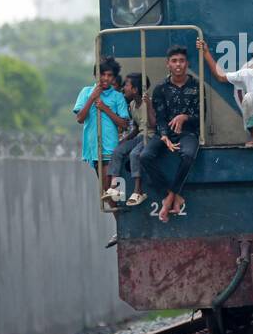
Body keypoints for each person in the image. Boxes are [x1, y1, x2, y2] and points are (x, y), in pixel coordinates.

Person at [140, 45, 201, 222]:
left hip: (188, 134)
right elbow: (160, 118)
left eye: (181, 61)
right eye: (174, 61)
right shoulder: (160, 89)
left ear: (187, 63)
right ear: (168, 64)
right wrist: (164, 136)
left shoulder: (197, 87)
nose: (178, 65)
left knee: (188, 155)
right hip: (165, 134)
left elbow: (200, 118)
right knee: (145, 156)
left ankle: (170, 198)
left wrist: (184, 117)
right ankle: (169, 194)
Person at [73, 57, 131, 196]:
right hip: (94, 148)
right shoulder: (86, 92)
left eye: (109, 75)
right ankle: (120, 215)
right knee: (107, 193)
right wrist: (92, 98)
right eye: (102, 74)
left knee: (110, 193)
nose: (105, 78)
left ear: (114, 78)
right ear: (96, 75)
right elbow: (80, 118)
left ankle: (122, 215)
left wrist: (105, 108)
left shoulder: (117, 97)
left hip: (110, 148)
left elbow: (124, 124)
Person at [105, 72, 150, 206]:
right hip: (139, 135)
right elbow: (136, 127)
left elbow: (153, 125)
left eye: (127, 85)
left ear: (135, 89)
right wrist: (125, 140)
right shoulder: (131, 105)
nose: (123, 88)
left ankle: (138, 190)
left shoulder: (147, 104)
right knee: (118, 150)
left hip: (150, 136)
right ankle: (114, 187)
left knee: (134, 154)